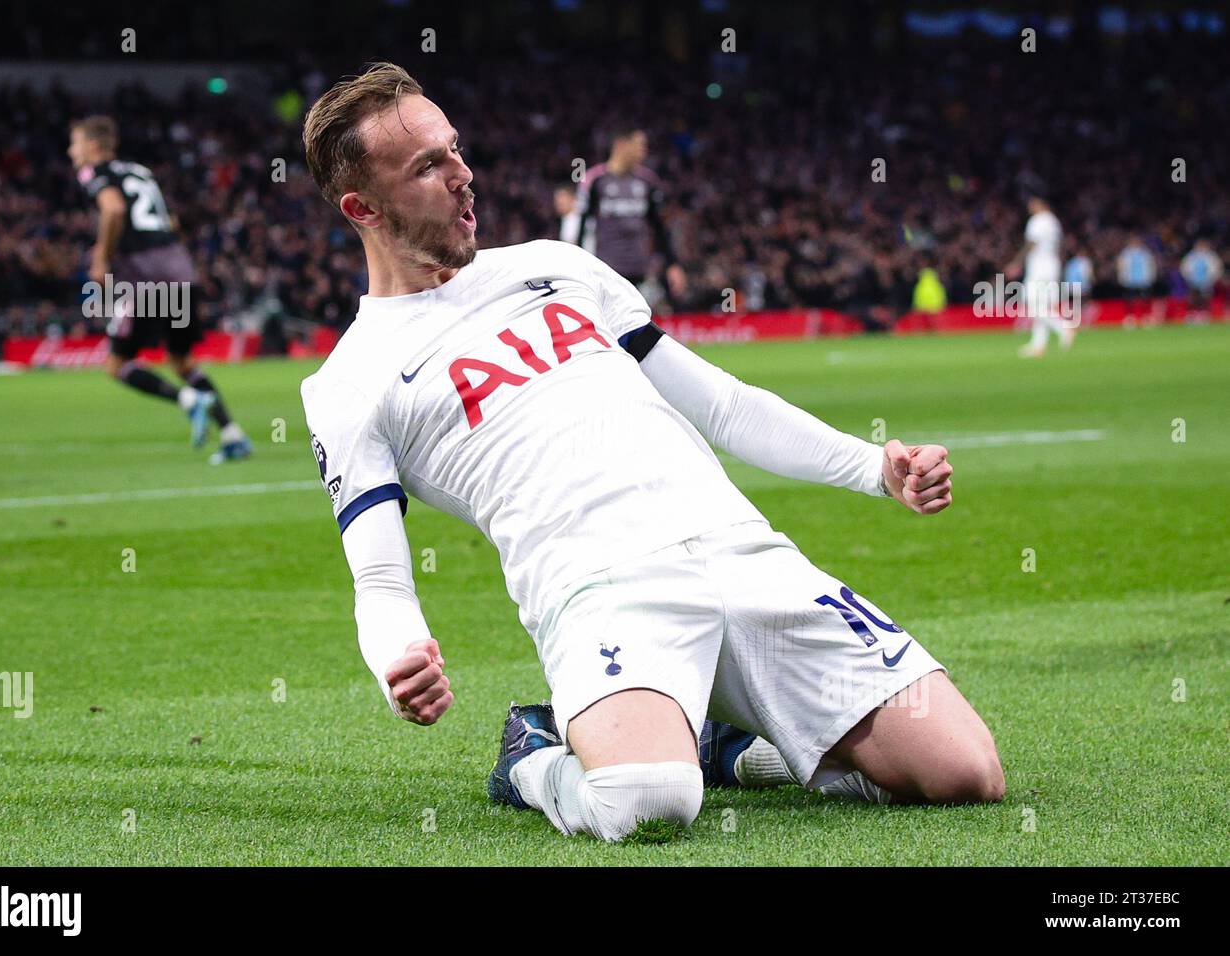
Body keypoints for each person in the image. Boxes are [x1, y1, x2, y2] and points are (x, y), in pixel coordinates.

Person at [299, 63, 1004, 843]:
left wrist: (872, 468)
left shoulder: (557, 267)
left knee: (965, 775)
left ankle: (721, 745)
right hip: (603, 587)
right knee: (646, 802)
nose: (464, 176)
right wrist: (400, 658)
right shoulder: (348, 383)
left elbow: (724, 406)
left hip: (741, 552)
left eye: (455, 149)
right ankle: (535, 756)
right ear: (361, 206)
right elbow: (380, 575)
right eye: (428, 166)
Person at [68, 116, 251, 463]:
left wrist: (100, 259)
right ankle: (232, 434)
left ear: (93, 147)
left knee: (116, 364)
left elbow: (113, 209)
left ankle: (188, 400)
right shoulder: (139, 172)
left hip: (144, 274)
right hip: (179, 269)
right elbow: (171, 222)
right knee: (182, 362)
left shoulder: (94, 173)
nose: (70, 151)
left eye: (74, 143)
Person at [559, 126, 688, 304]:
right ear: (621, 144)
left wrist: (673, 264)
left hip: (641, 272)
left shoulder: (647, 181)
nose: (644, 150)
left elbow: (659, 227)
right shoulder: (595, 180)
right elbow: (581, 227)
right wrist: (579, 269)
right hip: (606, 272)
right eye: (639, 145)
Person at [1010, 197, 1074, 358]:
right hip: (1052, 266)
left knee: (1032, 304)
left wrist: (1017, 262)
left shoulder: (1037, 221)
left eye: (1032, 203)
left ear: (1040, 204)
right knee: (1043, 306)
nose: (1029, 207)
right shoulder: (1054, 221)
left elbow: (1032, 243)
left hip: (1039, 267)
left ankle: (1064, 327)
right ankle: (1038, 345)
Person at [1179, 239, 1223, 323]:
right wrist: (1189, 278)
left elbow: (1216, 268)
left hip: (1207, 282)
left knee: (1205, 299)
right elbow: (1185, 268)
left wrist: (1212, 279)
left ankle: (1204, 315)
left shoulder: (1211, 257)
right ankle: (1192, 315)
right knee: (1193, 299)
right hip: (1193, 282)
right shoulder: (1191, 257)